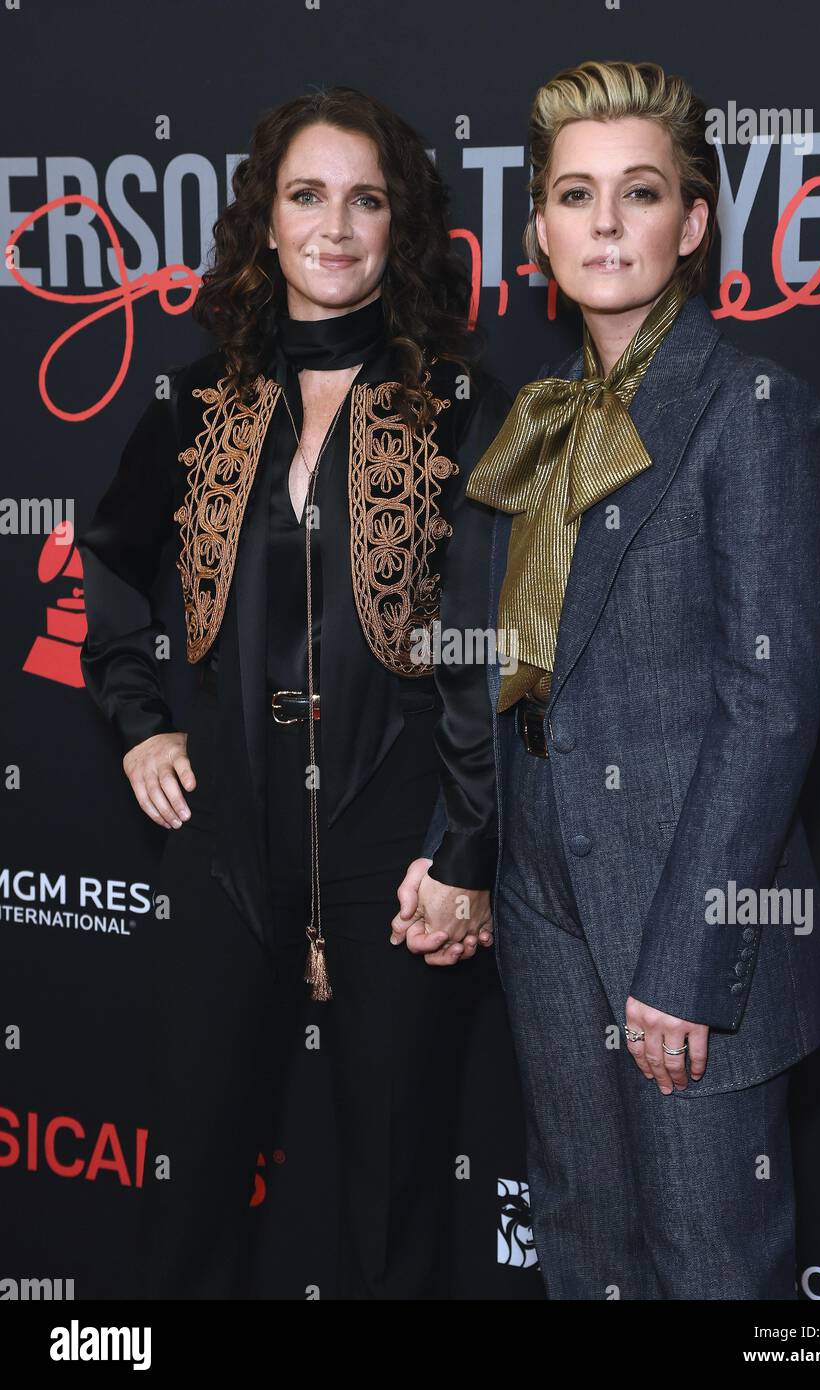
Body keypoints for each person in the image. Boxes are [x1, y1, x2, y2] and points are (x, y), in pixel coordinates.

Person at [398, 58, 820, 1299]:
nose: (605, 223)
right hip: (544, 910)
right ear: (536, 226)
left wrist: (684, 964)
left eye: (639, 192)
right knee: (584, 1248)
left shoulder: (753, 409)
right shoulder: (534, 422)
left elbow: (770, 712)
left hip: (687, 925)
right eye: (575, 195)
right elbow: (508, 674)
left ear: (693, 223)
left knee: (710, 1266)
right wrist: (463, 854)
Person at [77, 87, 511, 1299]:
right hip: (227, 838)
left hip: (397, 844)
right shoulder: (195, 400)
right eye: (306, 196)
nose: (335, 226)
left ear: (400, 226)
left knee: (395, 1193)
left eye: (364, 199)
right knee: (192, 1192)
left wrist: (468, 839)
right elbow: (104, 562)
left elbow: (501, 633)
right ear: (265, 224)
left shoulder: (465, 409)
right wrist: (138, 716)